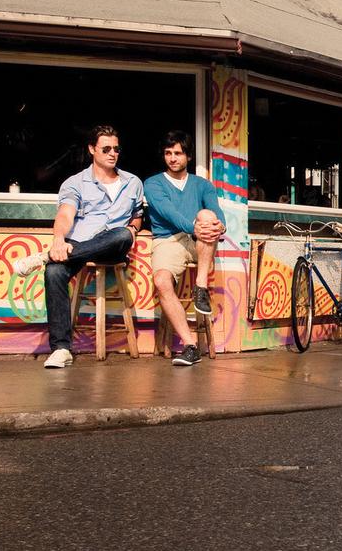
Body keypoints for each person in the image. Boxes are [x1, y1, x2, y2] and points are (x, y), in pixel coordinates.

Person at [12, 123, 145, 369]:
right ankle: (61, 349)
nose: (112, 153)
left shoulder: (133, 182)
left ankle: (44, 256)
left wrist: (134, 229)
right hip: (79, 243)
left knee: (123, 235)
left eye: (116, 149)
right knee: (54, 272)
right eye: (106, 149)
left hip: (114, 245)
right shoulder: (75, 182)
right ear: (92, 149)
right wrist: (58, 240)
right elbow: (65, 215)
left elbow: (137, 215)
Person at [143, 130, 227, 367]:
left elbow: (215, 210)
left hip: (198, 241)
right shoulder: (153, 183)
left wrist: (219, 225)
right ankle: (191, 346)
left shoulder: (202, 184)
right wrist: (194, 227)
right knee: (161, 280)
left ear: (188, 156)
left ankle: (201, 287)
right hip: (168, 240)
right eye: (168, 153)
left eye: (178, 153)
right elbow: (168, 211)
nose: (172, 158)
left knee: (208, 215)